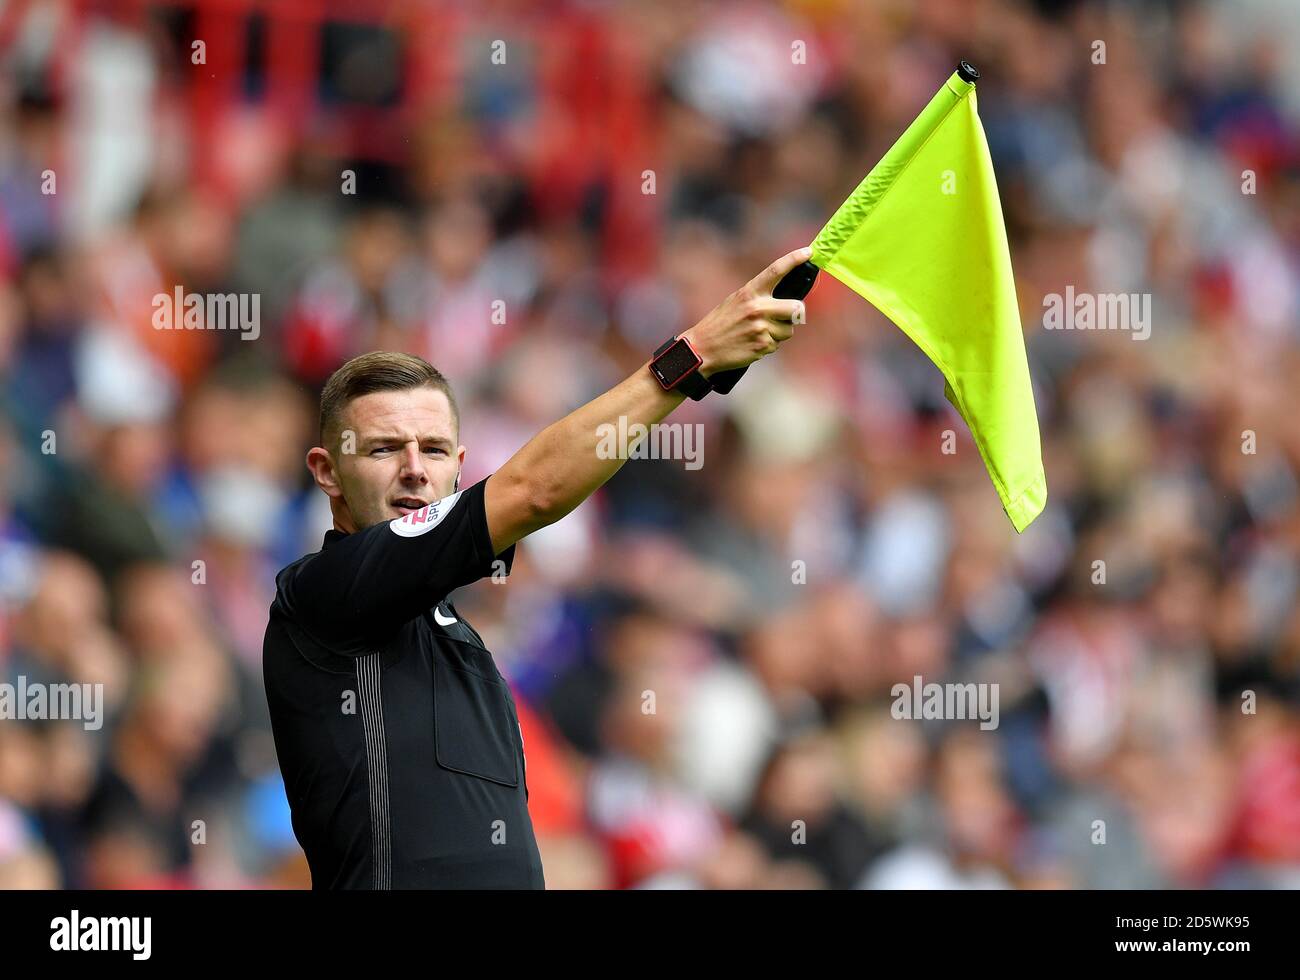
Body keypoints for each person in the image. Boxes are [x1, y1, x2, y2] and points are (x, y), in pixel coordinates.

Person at [261, 246, 812, 889]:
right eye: (384, 448)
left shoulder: (461, 643)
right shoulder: (316, 597)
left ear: (457, 465)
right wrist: (693, 357)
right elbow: (533, 492)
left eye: (434, 449)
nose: (415, 467)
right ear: (326, 471)